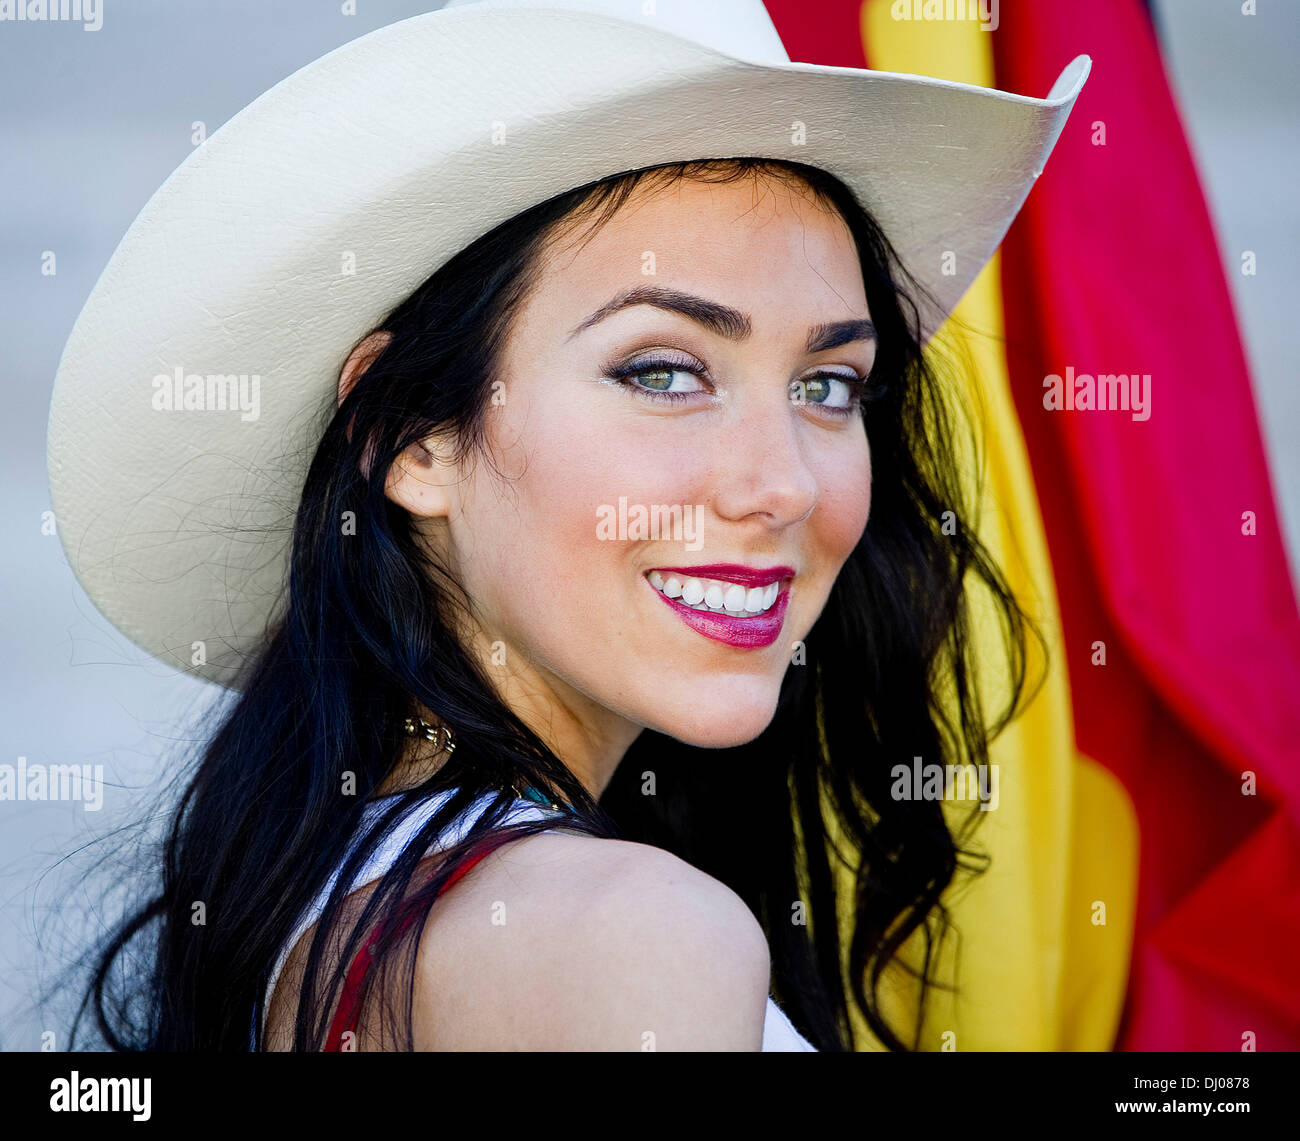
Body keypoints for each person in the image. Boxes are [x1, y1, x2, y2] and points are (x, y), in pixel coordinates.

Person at [50, 0, 1089, 1051]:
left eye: (827, 383)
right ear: (409, 434)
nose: (782, 484)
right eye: (664, 371)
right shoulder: (630, 937)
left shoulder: (325, 905)